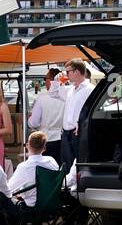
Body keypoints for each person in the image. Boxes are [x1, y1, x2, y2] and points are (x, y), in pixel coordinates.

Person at [60, 59, 95, 191]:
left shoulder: (90, 89)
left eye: (68, 72)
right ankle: (70, 194)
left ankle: (79, 194)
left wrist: (81, 125)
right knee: (68, 164)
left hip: (78, 132)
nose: (66, 74)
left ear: (76, 72)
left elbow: (90, 111)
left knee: (78, 165)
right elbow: (54, 93)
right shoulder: (71, 89)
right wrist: (58, 82)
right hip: (67, 132)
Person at [28, 73, 68, 160]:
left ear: (51, 80)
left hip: (46, 139)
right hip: (63, 138)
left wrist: (29, 119)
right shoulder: (67, 97)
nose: (45, 81)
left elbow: (33, 123)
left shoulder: (42, 99)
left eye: (45, 78)